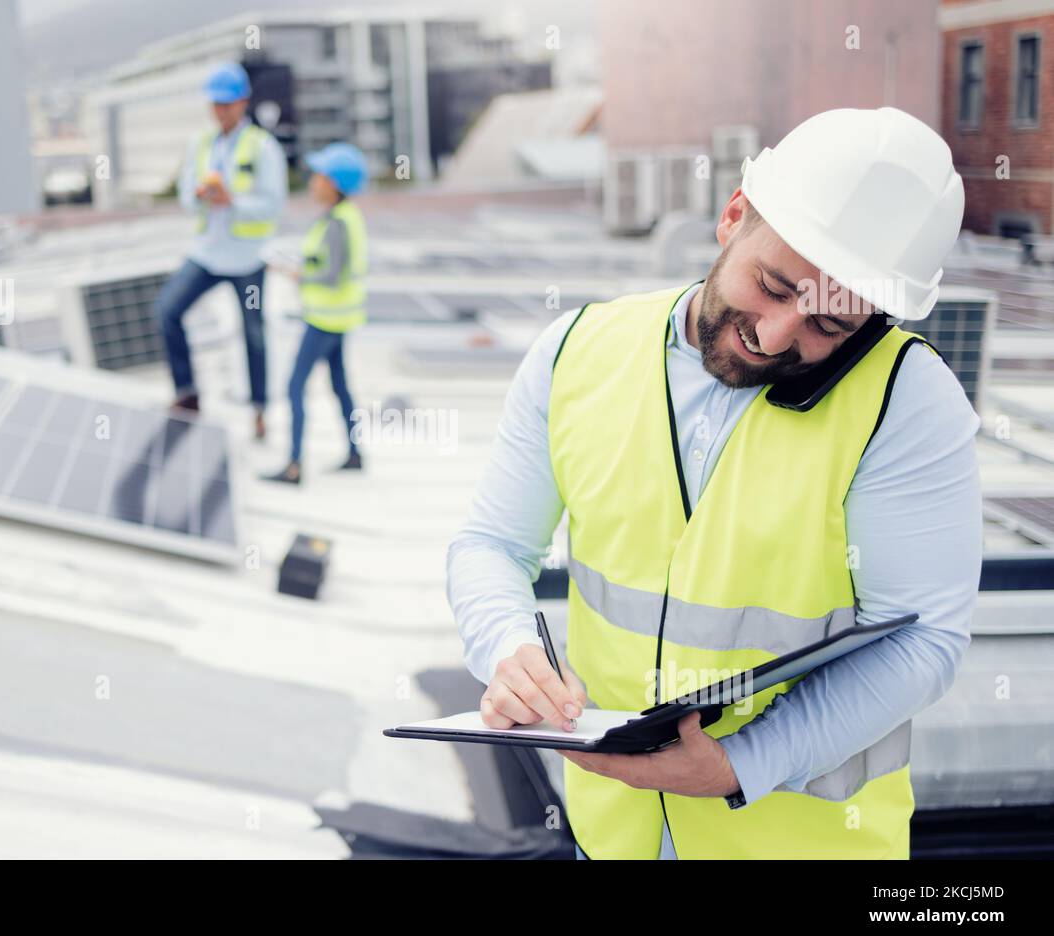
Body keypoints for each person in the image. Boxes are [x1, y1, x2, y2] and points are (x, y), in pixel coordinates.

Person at [446, 107, 981, 859]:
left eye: (830, 327)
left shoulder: (909, 402)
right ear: (733, 215)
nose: (776, 336)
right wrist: (508, 649)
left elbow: (922, 640)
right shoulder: (577, 353)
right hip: (615, 835)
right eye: (773, 285)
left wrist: (739, 763)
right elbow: (492, 545)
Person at [156, 62, 288, 440]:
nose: (220, 110)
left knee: (254, 336)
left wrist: (233, 202)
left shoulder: (263, 147)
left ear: (243, 102)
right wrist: (200, 198)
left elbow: (273, 204)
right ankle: (187, 392)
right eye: (215, 103)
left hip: (247, 259)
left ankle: (260, 410)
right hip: (207, 254)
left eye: (227, 103)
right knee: (167, 311)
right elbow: (185, 198)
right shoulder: (201, 145)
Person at [262, 143, 369, 485]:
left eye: (319, 176)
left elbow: (332, 273)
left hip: (325, 319)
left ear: (334, 183)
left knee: (295, 386)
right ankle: (355, 453)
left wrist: (296, 274)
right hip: (337, 319)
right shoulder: (341, 217)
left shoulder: (337, 223)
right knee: (340, 385)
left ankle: (294, 465)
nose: (313, 182)